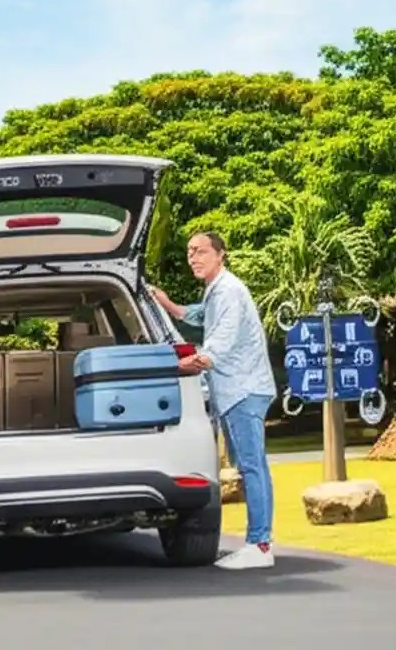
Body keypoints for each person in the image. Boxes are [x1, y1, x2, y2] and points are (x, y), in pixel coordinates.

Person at [151, 231, 277, 570]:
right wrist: (168, 305)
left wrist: (176, 365)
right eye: (190, 252)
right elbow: (199, 315)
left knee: (253, 466)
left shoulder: (230, 291)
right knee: (251, 466)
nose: (194, 257)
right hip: (237, 390)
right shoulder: (216, 291)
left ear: (220, 254)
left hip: (244, 389)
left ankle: (260, 544)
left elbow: (219, 342)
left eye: (201, 251)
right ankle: (259, 541)